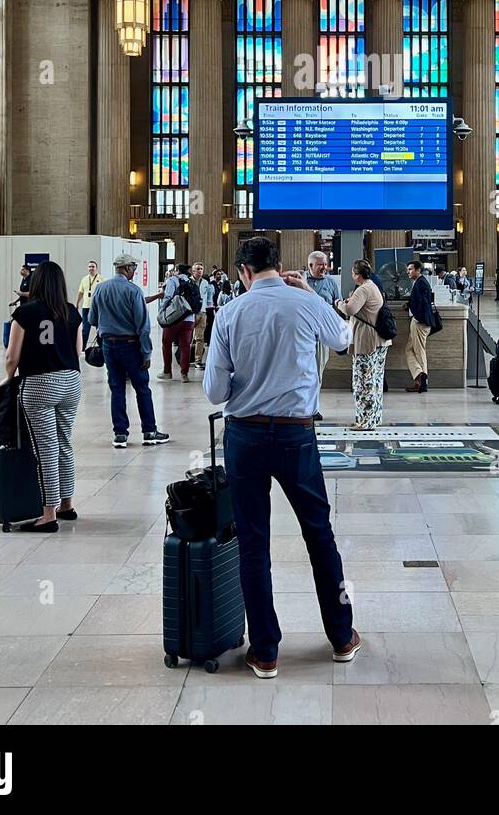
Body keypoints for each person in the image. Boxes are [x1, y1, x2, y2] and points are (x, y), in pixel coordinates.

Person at [203, 237, 360, 678]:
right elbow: (343, 337)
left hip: (245, 437)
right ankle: (342, 636)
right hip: (296, 436)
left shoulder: (230, 313)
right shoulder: (303, 302)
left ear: (243, 272)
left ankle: (266, 650)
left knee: (253, 542)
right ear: (280, 265)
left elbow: (215, 391)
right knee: (319, 533)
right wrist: (310, 294)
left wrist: (245, 389)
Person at [4, 260, 82, 531]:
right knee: (64, 443)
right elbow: (78, 349)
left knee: (45, 448)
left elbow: (12, 355)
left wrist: (7, 378)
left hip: (39, 383)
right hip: (71, 383)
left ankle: (47, 515)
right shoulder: (71, 312)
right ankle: (66, 505)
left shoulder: (25, 313)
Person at [89, 254, 169, 449]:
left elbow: (92, 318)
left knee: (116, 389)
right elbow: (143, 326)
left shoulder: (100, 288)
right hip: (130, 345)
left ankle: (120, 434)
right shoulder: (134, 291)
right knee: (141, 388)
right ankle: (149, 431)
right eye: (133, 267)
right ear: (127, 269)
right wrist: (146, 352)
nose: (134, 271)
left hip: (109, 345)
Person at [337, 259, 390, 430]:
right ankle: (373, 418)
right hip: (379, 340)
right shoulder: (373, 286)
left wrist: (339, 303)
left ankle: (365, 421)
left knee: (363, 381)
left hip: (366, 341)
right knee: (375, 381)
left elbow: (350, 310)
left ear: (356, 274)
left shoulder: (363, 289)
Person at [304, 250, 341, 420]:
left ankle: (313, 408)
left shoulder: (331, 283)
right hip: (301, 334)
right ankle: (302, 407)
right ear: (310, 265)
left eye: (325, 264)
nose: (324, 268)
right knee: (301, 372)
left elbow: (337, 307)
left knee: (317, 372)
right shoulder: (301, 281)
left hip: (320, 336)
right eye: (320, 265)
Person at [153, 263, 198, 382]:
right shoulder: (192, 281)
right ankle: (184, 374)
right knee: (185, 346)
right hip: (189, 317)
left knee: (166, 342)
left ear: (177, 271)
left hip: (174, 317)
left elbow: (168, 297)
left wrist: (162, 311)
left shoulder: (173, 280)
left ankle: (167, 371)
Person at [404, 258, 434, 392]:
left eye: (410, 269)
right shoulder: (419, 282)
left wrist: (417, 317)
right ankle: (419, 375)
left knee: (419, 351)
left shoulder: (421, 283)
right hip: (417, 321)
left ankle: (423, 381)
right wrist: (409, 305)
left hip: (419, 322)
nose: (408, 272)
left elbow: (423, 303)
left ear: (418, 270)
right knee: (409, 350)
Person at [75, 259, 101, 347]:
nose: (91, 268)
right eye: (89, 267)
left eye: (93, 267)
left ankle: (101, 346)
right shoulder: (84, 279)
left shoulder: (102, 279)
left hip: (97, 307)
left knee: (99, 329)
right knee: (85, 329)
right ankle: (82, 347)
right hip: (86, 307)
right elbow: (81, 292)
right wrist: (77, 303)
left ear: (96, 268)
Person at [190, 261, 210, 366]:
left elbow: (207, 298)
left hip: (202, 312)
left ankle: (198, 360)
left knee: (200, 338)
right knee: (188, 337)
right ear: (193, 271)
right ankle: (185, 358)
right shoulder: (188, 282)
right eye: (198, 269)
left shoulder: (205, 283)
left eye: (201, 269)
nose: (200, 271)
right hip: (190, 313)